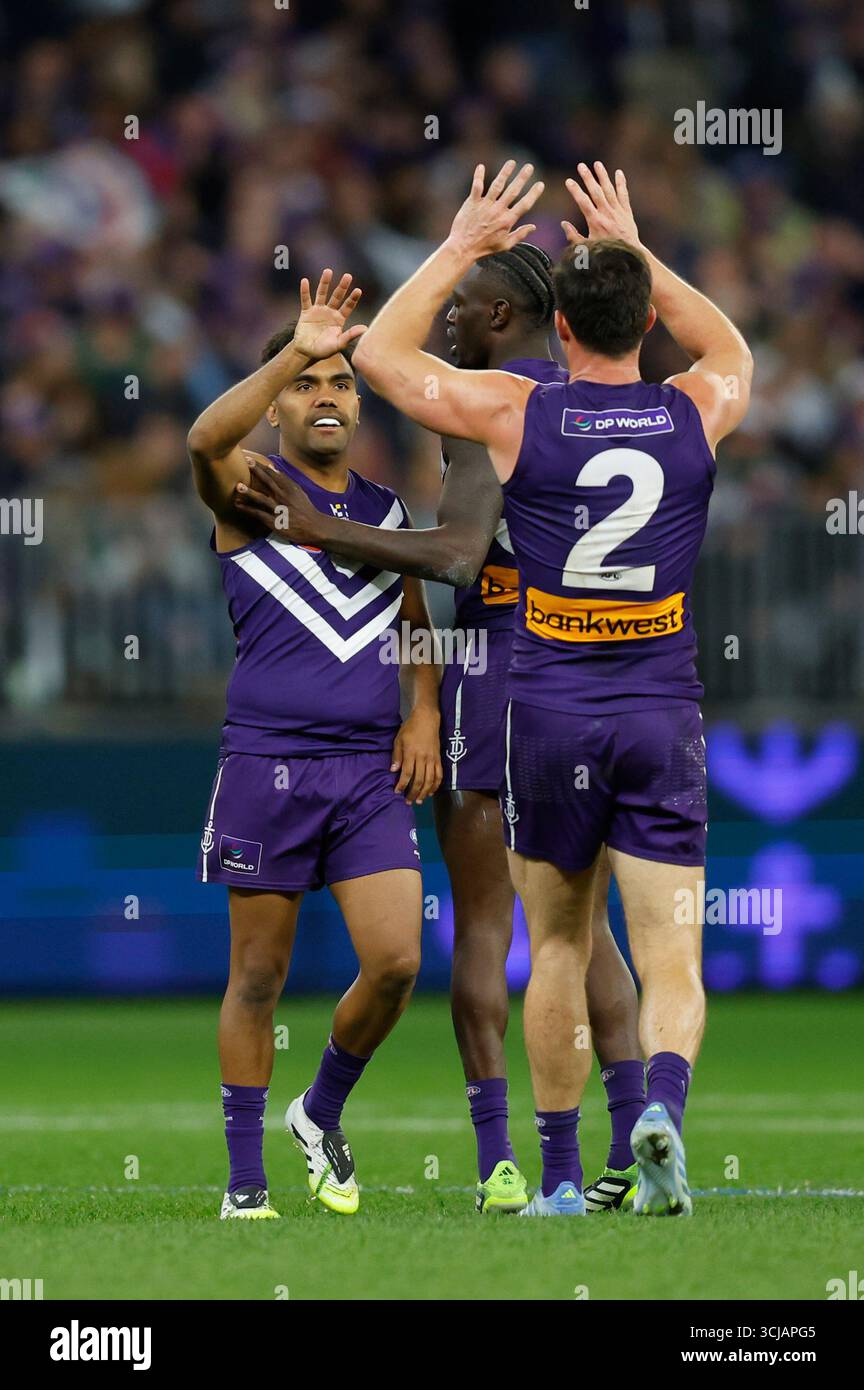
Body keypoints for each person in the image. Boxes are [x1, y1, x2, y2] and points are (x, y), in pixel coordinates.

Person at [345, 159, 753, 1216]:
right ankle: (659, 1106)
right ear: (641, 323)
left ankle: (561, 1180)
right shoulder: (691, 409)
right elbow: (732, 349)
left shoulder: (519, 414)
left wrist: (459, 246)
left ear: (558, 332)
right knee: (669, 948)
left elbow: (381, 359)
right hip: (661, 705)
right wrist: (639, 249)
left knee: (559, 946)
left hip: (551, 710)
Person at [235, 245, 645, 1216]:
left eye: (460, 309)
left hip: (501, 667)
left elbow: (459, 555)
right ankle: (630, 1142)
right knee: (584, 931)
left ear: (499, 316)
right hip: (597, 666)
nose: (446, 325)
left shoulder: (485, 405)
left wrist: (321, 529)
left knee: (487, 927)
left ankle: (502, 1160)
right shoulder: (614, 405)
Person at [189, 270, 442, 1220]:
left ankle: (320, 1108)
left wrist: (424, 712)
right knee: (257, 977)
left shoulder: (384, 510)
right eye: (307, 382)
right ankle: (244, 1184)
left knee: (398, 963)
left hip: (370, 771)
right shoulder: (246, 488)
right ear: (280, 400)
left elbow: (417, 624)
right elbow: (202, 437)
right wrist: (294, 345)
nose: (328, 394)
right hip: (266, 763)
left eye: (341, 380)